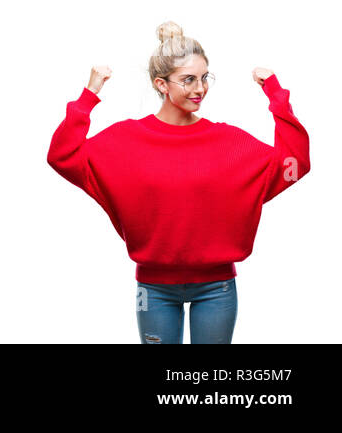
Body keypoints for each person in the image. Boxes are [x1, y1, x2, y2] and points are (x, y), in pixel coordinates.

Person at [47, 22, 309, 344]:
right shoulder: (127, 140)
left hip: (217, 288)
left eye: (204, 78)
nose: (199, 89)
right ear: (162, 84)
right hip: (153, 289)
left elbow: (294, 166)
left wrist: (275, 95)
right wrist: (89, 96)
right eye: (188, 80)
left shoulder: (227, 141)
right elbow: (62, 156)